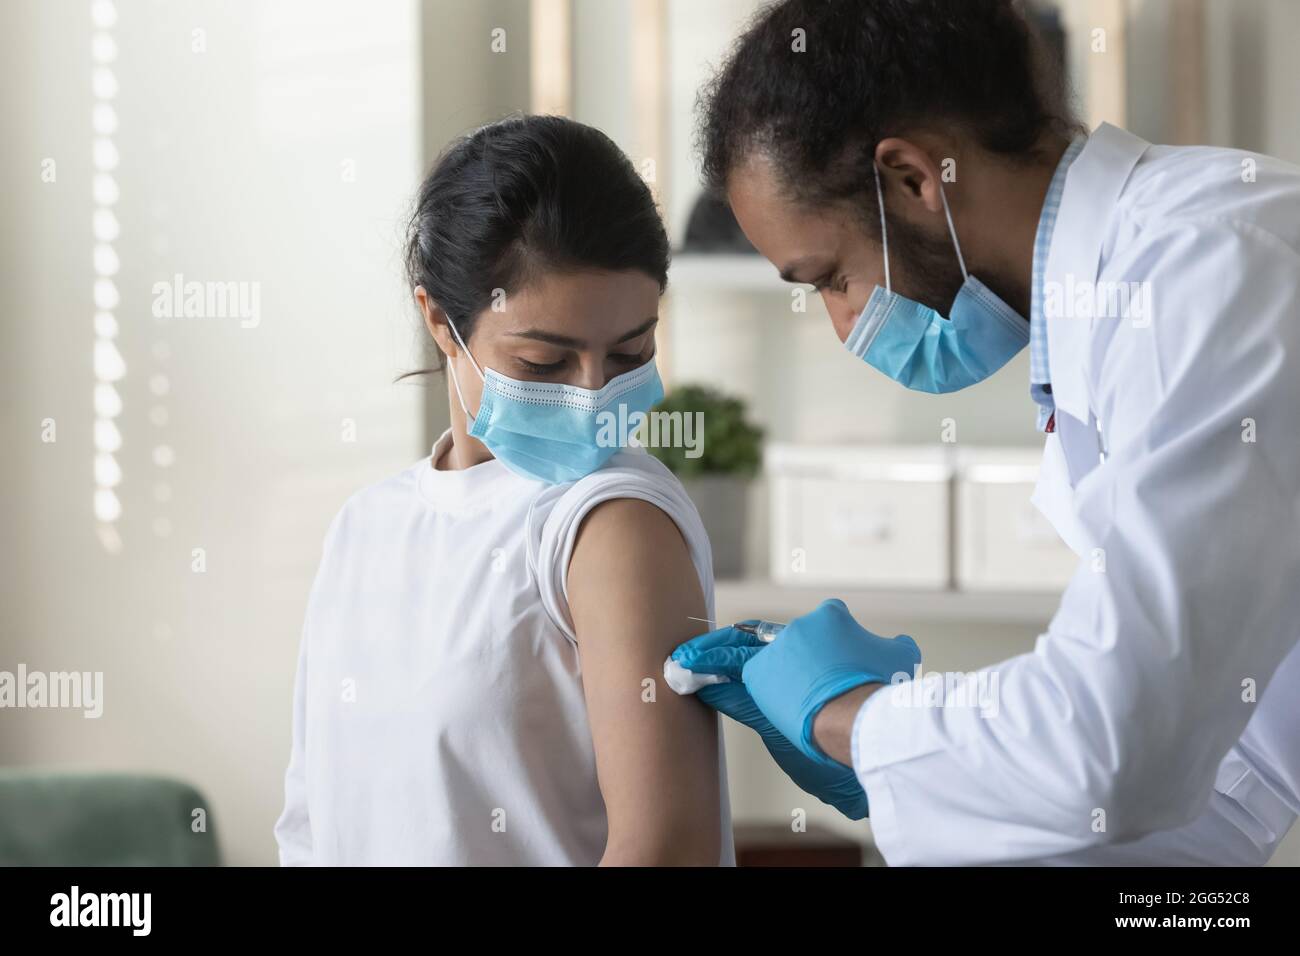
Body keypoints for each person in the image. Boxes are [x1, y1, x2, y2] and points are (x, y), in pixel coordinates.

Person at [673, 0, 1300, 865]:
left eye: (829, 278)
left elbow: (1113, 750)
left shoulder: (1206, 270)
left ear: (915, 181)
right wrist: (925, 770)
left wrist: (846, 717)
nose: (843, 323)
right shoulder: (1110, 311)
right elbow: (1225, 775)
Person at [274, 115, 734, 865]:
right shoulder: (365, 528)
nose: (593, 394)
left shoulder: (610, 521)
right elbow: (312, 821)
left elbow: (665, 849)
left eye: (630, 351)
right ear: (441, 323)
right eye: (545, 361)